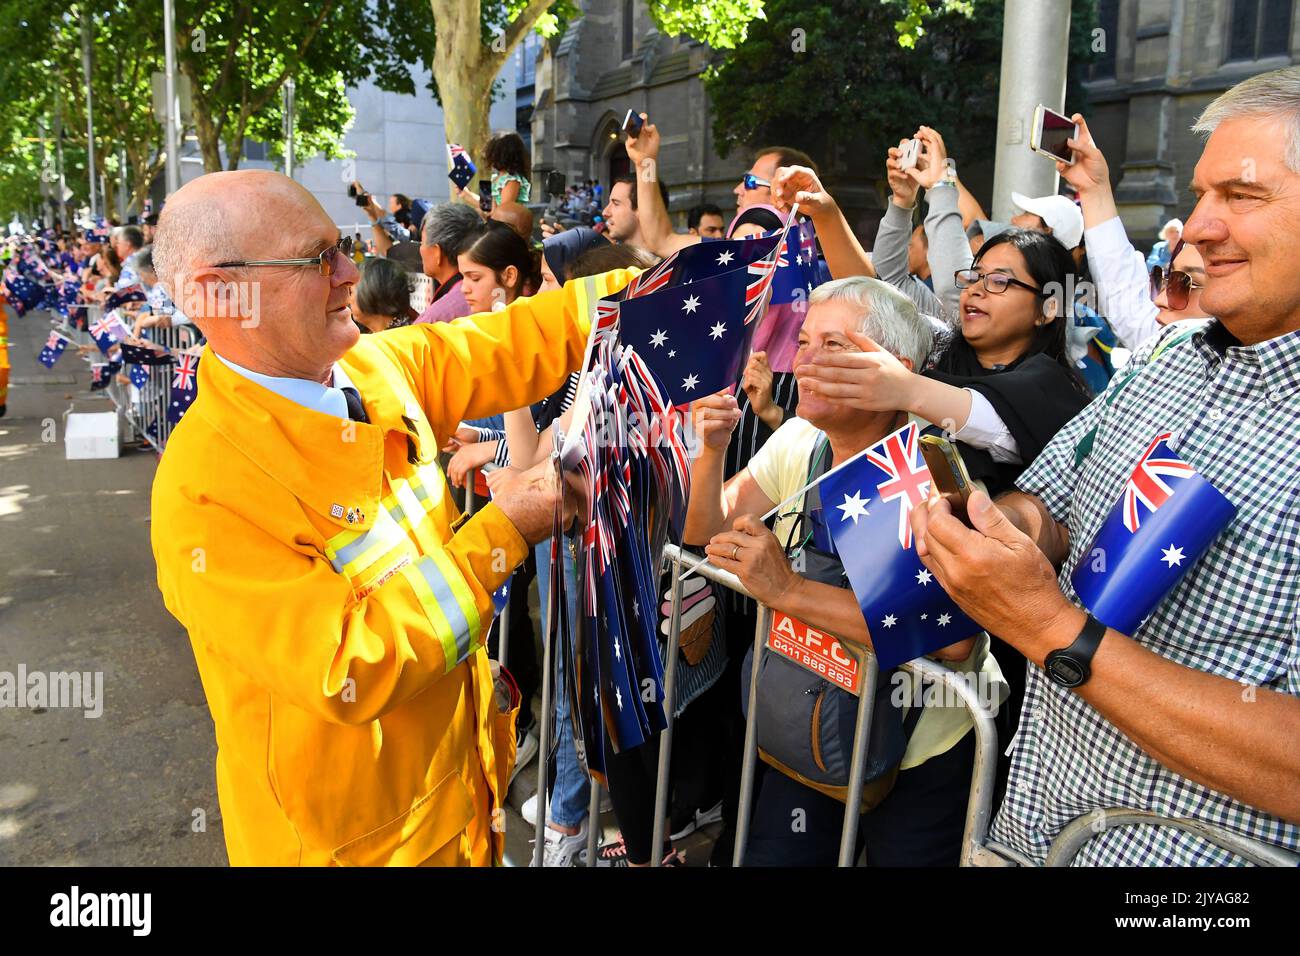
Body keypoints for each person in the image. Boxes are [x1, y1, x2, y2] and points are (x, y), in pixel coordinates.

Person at [148, 168, 640, 866]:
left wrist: (657, 291)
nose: (351, 273)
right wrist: (509, 528)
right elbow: (351, 663)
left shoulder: (376, 368)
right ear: (217, 290)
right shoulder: (205, 491)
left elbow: (522, 339)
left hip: (461, 807)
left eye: (342, 245)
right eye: (317, 258)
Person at [909, 66, 1300, 866]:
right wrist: (998, 528)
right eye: (1200, 196)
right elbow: (1050, 506)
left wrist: (1052, 630)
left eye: (1243, 196)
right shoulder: (1169, 361)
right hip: (1027, 836)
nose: (1197, 228)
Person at [687, 276, 1005, 866]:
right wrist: (711, 451)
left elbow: (955, 642)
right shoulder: (801, 439)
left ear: (895, 368)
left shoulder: (926, 468)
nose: (805, 362)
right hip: (809, 725)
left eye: (834, 345)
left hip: (917, 750)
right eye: (805, 343)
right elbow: (704, 533)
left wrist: (787, 589)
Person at [1056, 114, 1211, 345]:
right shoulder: (1161, 343)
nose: (1159, 299)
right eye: (1165, 279)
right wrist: (1093, 188)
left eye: (1185, 284)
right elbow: (1124, 291)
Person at [414, 202, 482, 324]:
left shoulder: (434, 319)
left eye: (422, 242)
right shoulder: (495, 292)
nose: (420, 249)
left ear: (437, 252)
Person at [350, 256, 417, 333]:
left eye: (351, 292)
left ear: (372, 292)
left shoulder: (399, 339)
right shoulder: (400, 329)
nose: (348, 299)